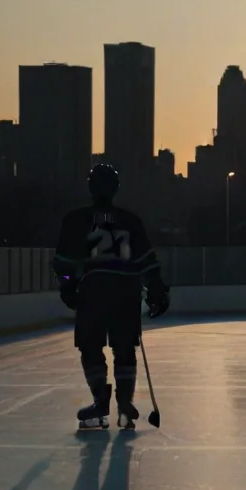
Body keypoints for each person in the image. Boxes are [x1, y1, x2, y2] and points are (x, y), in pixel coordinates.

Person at [52, 164, 170, 430]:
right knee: (124, 348)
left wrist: (67, 286)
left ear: (90, 186)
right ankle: (125, 405)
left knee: (90, 346)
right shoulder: (130, 220)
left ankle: (100, 401)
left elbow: (64, 263)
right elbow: (146, 261)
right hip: (126, 291)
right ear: (116, 187)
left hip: (92, 291)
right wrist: (156, 289)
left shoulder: (76, 219)